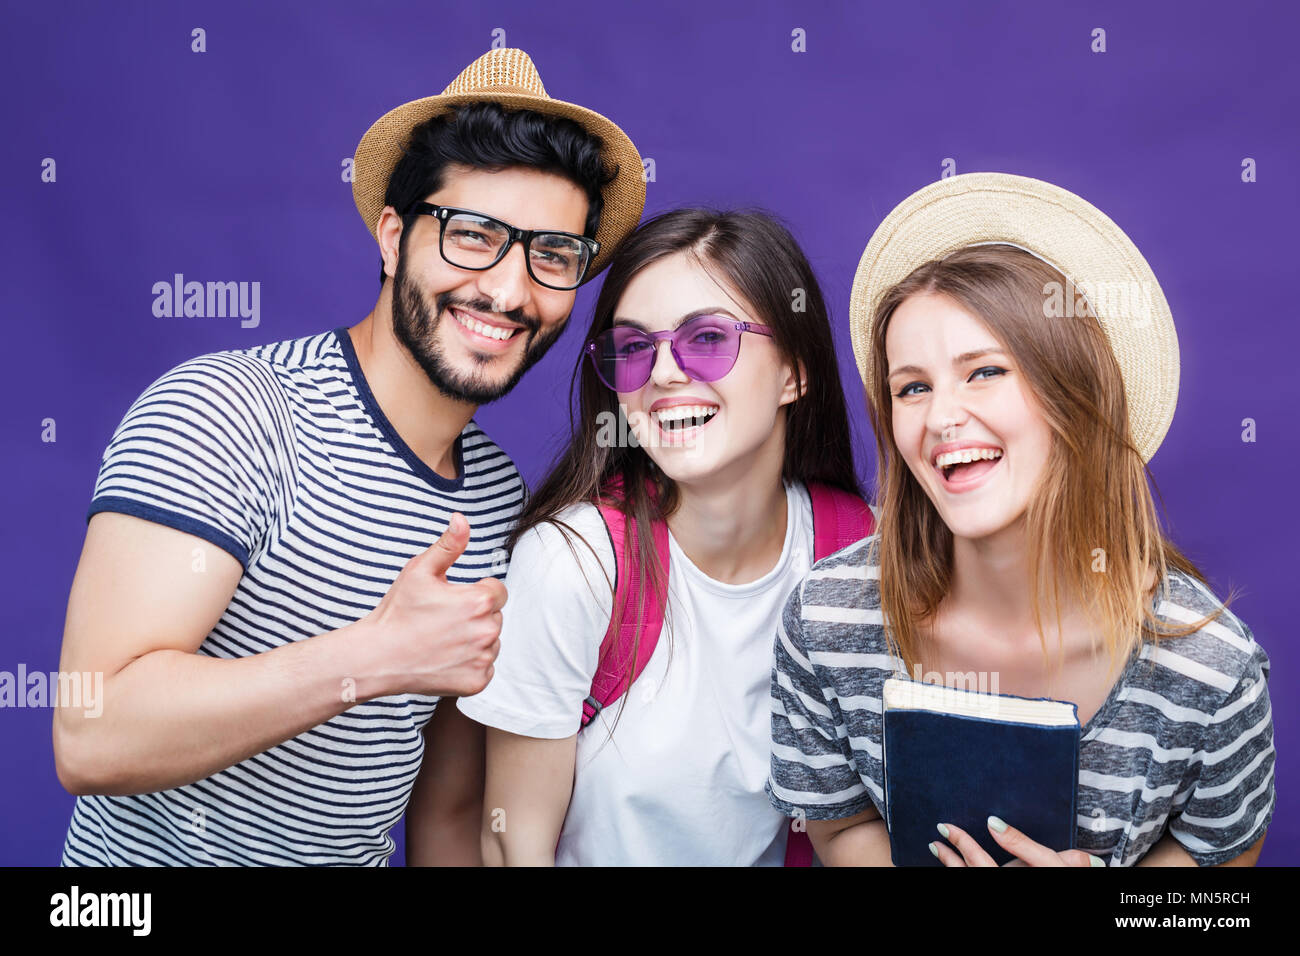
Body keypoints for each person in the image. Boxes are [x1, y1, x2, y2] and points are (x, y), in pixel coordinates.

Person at [53, 48, 645, 866]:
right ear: (395, 237)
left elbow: (447, 812)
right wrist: (372, 657)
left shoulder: (499, 498)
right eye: (474, 235)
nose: (510, 292)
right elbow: (91, 733)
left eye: (551, 255)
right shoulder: (230, 411)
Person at [767, 173, 1275, 867]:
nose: (941, 417)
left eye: (984, 372)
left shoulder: (1212, 671)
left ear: (1075, 393)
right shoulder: (826, 624)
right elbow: (837, 826)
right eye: (912, 387)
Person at [456, 208, 868, 865]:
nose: (666, 374)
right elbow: (514, 842)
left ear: (795, 371)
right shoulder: (574, 562)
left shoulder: (859, 556)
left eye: (708, 339)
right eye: (633, 348)